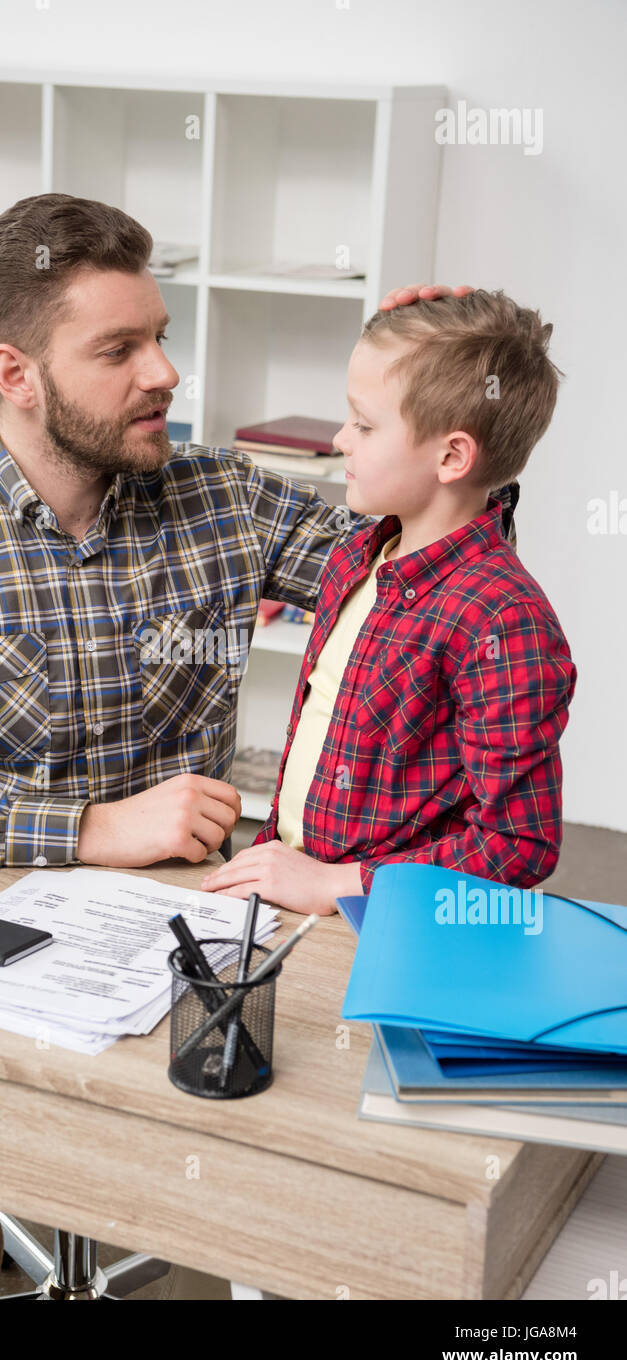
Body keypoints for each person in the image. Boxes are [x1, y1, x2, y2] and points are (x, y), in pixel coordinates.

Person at [0, 189, 514, 1299]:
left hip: (187, 960)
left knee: (329, 1204)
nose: (164, 372)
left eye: (161, 337)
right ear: (15, 374)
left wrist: (462, 411)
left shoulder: (222, 499)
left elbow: (436, 583)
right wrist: (87, 828)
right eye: (119, 348)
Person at [201, 289, 575, 916]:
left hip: (376, 923)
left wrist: (337, 886)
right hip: (279, 889)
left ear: (453, 455)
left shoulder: (505, 620)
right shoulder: (356, 555)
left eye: (365, 424)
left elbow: (517, 844)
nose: (340, 438)